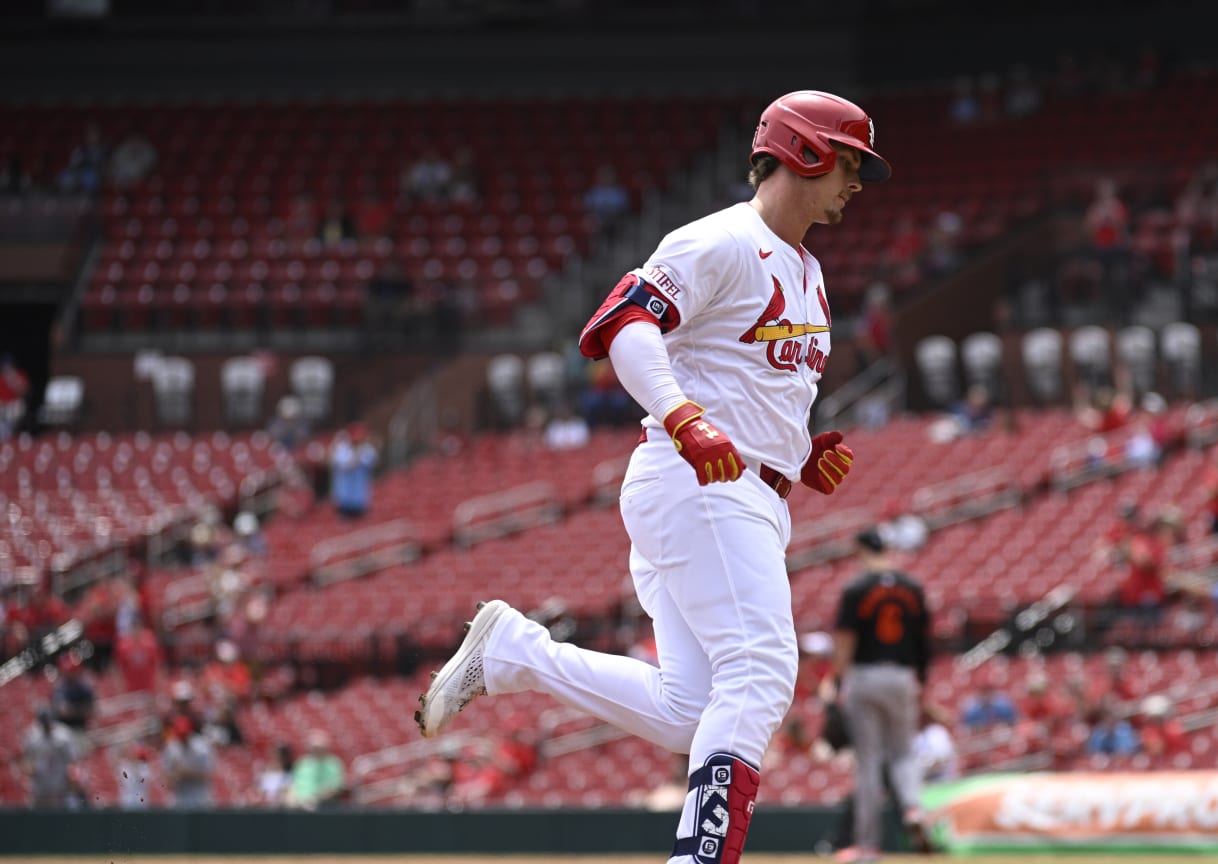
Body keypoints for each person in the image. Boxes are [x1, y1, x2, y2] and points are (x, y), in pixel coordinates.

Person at [415, 90, 886, 864]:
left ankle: (514, 654)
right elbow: (622, 324)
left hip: (737, 491)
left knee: (689, 708)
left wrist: (799, 452)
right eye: (848, 162)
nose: (856, 182)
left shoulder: (809, 269)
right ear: (801, 151)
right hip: (699, 482)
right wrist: (679, 414)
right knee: (762, 670)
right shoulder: (721, 239)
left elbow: (746, 380)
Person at [829, 529, 934, 862]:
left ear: (861, 550)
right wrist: (920, 680)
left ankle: (868, 845)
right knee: (903, 753)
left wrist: (835, 680)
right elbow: (923, 640)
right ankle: (914, 808)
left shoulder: (855, 589)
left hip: (865, 675)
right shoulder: (912, 588)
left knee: (869, 761)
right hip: (903, 675)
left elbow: (846, 640)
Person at [287, 730, 346, 809]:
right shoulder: (301, 763)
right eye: (314, 748)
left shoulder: (333, 764)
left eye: (319, 748)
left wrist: (315, 798)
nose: (317, 751)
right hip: (299, 804)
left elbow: (335, 787)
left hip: (323, 806)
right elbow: (292, 783)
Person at [329, 424, 377, 519]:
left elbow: (373, 461)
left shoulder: (367, 449)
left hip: (360, 498)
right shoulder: (341, 450)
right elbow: (347, 465)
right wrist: (357, 454)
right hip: (344, 498)